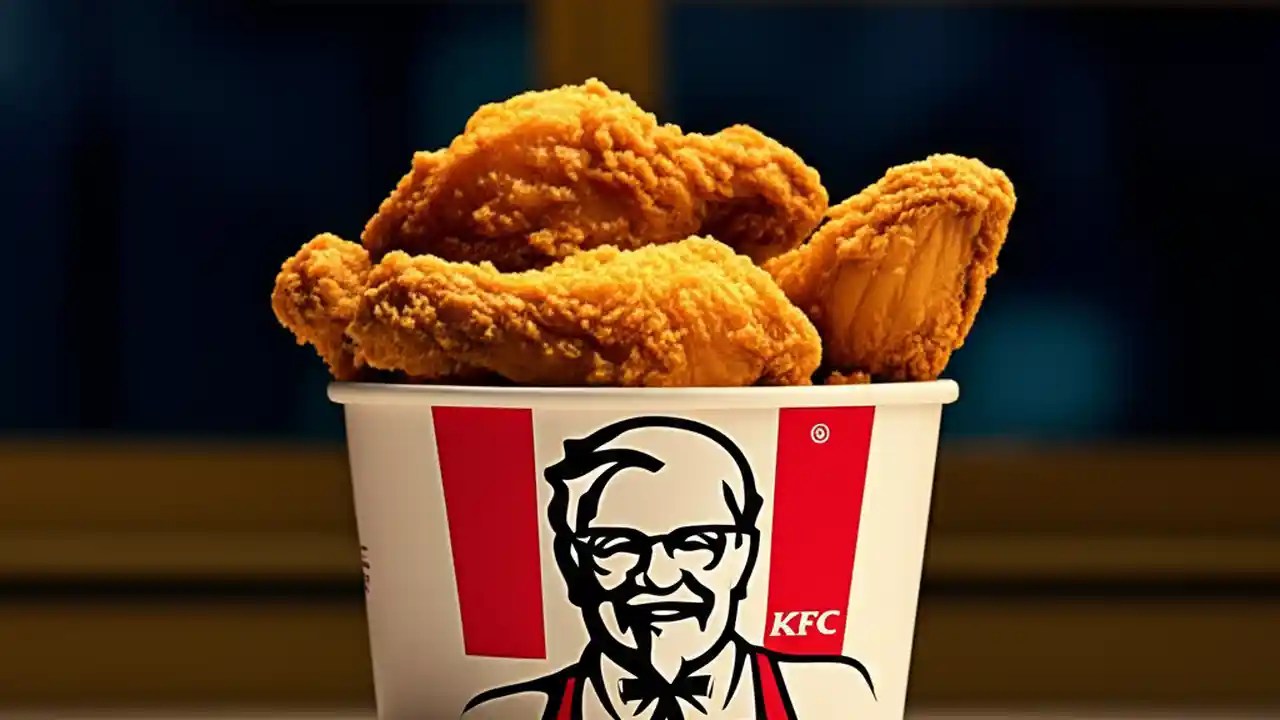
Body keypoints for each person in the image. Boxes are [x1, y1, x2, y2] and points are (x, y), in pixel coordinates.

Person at [464, 416, 876, 720]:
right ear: (573, 565)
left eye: (697, 544)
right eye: (618, 546)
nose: (659, 577)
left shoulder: (828, 694)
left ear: (743, 557)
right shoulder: (514, 711)